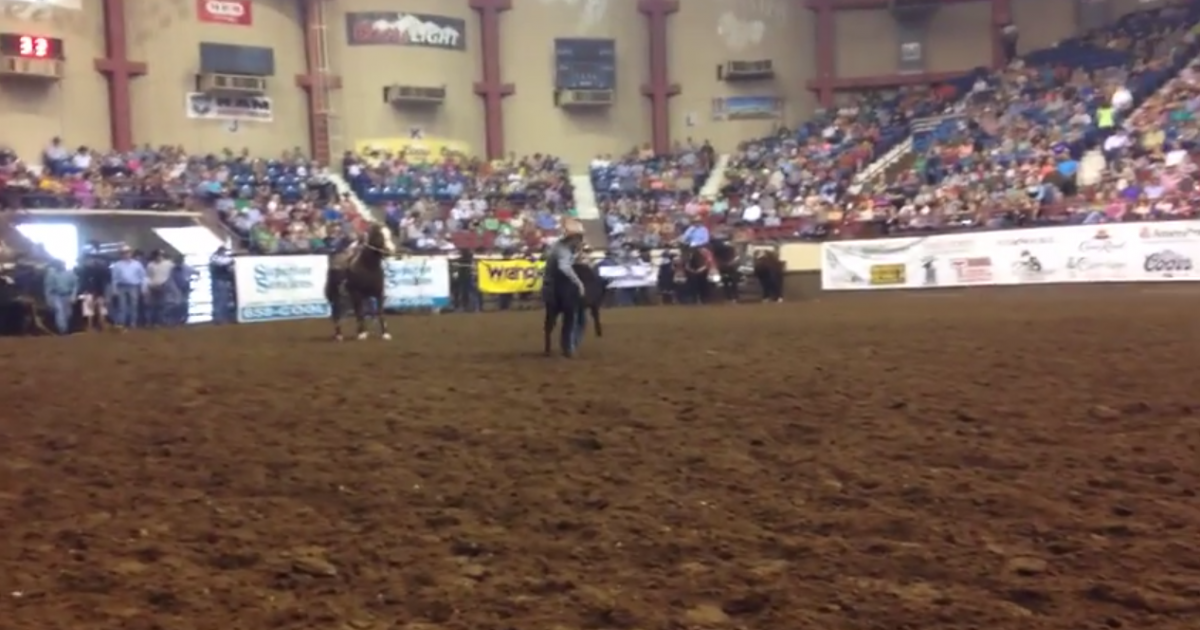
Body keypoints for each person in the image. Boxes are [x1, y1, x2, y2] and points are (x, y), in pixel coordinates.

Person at [110, 246, 146, 329]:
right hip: (121, 286)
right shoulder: (117, 265)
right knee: (122, 306)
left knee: (134, 305)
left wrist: (143, 288)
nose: (126, 254)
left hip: (134, 286)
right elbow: (114, 278)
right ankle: (121, 323)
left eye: (127, 252)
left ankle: (133, 323)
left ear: (130, 253)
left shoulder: (137, 264)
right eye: (124, 253)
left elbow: (143, 276)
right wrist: (114, 289)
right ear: (121, 254)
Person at [78, 249, 112, 332]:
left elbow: (104, 282)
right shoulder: (84, 271)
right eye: (90, 258)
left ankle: (102, 324)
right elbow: (83, 283)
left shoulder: (100, 270)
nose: (92, 260)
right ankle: (90, 326)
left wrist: (102, 293)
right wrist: (84, 292)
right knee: (89, 310)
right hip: (88, 292)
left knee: (101, 309)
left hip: (99, 291)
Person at [43, 259, 78, 335]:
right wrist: (48, 299)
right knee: (60, 312)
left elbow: (75, 285)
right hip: (56, 295)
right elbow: (48, 288)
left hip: (68, 295)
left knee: (68, 313)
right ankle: (63, 330)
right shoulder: (51, 274)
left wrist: (73, 295)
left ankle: (65, 328)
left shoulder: (70, 273)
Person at [209, 245, 236, 324]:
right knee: (220, 300)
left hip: (223, 281)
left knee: (224, 300)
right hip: (218, 281)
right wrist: (232, 259)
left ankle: (223, 318)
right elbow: (222, 263)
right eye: (224, 251)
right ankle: (219, 319)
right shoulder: (214, 257)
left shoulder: (220, 257)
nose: (224, 253)